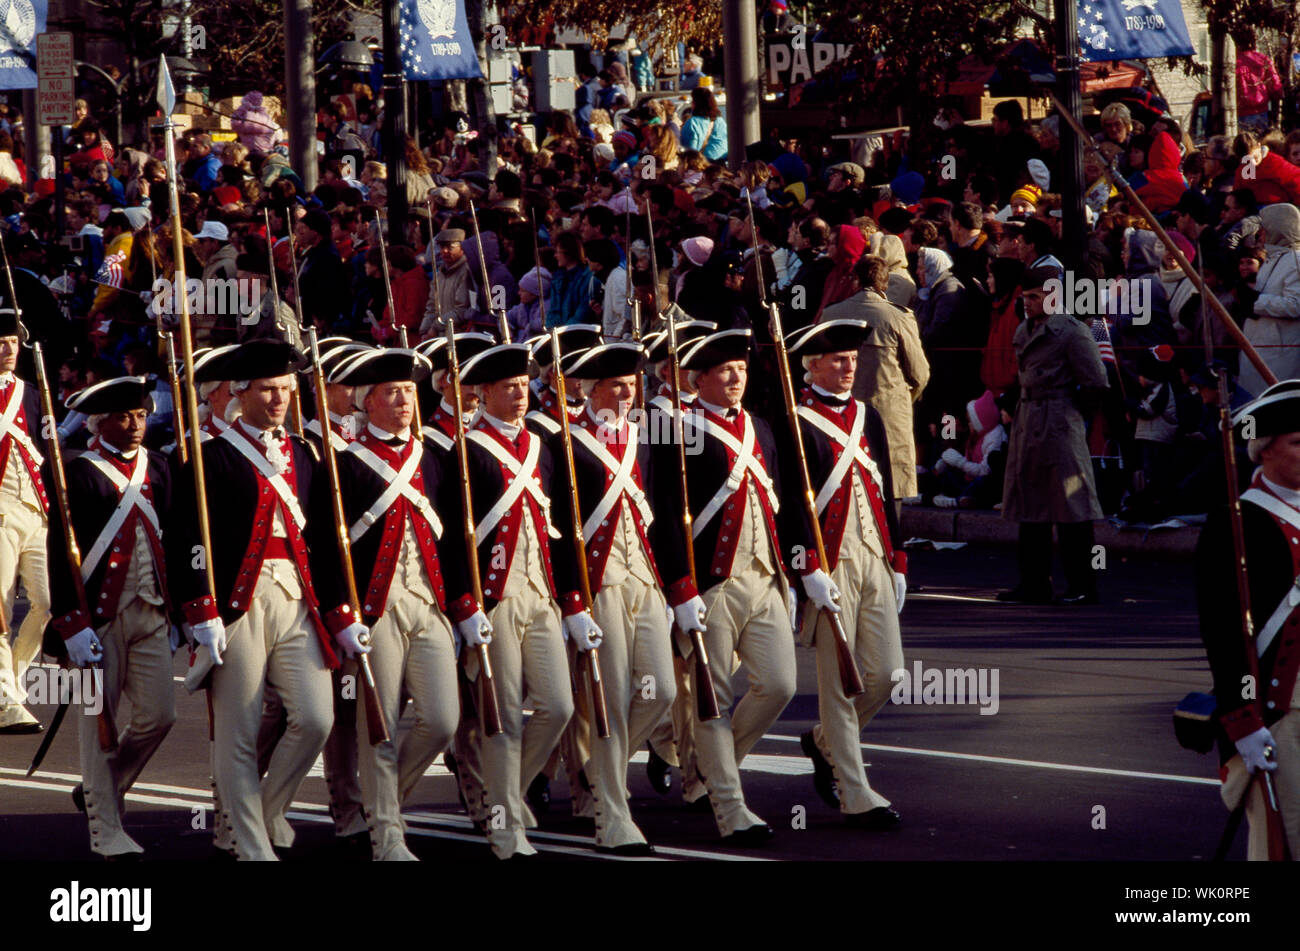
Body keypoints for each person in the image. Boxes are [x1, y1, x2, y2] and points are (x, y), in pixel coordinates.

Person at [170, 339, 368, 861]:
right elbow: (189, 537)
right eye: (267, 389)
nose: (280, 399)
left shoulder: (303, 453)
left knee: (316, 717)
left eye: (285, 388)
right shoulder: (211, 456)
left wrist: (341, 611)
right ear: (241, 393)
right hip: (240, 602)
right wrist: (201, 609)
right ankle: (254, 848)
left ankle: (261, 811)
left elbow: (326, 538)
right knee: (239, 730)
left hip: (298, 597)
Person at [444, 342, 585, 860]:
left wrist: (573, 602)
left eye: (524, 386)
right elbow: (455, 539)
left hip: (542, 593)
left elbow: (562, 530)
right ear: (482, 393)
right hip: (495, 598)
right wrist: (465, 604)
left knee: (558, 705)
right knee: (501, 717)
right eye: (507, 387)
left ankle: (503, 793)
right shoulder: (465, 450)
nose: (519, 395)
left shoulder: (542, 446)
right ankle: (505, 826)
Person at [655, 328, 796, 845]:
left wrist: (800, 571)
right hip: (711, 582)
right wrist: (680, 586)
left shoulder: (760, 426)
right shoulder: (677, 430)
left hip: (763, 575)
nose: (736, 377)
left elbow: (784, 503)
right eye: (724, 371)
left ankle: (711, 767)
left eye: (740, 368)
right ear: (700, 379)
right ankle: (730, 806)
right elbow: (667, 516)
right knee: (711, 699)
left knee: (778, 684)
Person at [330, 347, 463, 861]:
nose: (405, 400)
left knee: (441, 720)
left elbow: (453, 538)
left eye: (409, 391)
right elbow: (329, 543)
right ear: (368, 402)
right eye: (392, 392)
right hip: (375, 607)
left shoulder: (433, 456)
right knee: (378, 725)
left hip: (429, 602)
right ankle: (387, 832)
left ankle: (382, 803)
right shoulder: (344, 463)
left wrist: (462, 604)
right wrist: (344, 615)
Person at [547, 342, 677, 853]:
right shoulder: (565, 443)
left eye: (631, 384)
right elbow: (558, 527)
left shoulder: (643, 440)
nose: (626, 393)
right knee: (611, 699)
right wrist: (573, 600)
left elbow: (662, 515)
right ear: (589, 389)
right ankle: (610, 814)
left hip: (643, 577)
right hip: (599, 580)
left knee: (660, 691)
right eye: (615, 385)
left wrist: (675, 586)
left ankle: (601, 772)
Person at [780, 319, 907, 828]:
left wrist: (898, 557)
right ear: (812, 365)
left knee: (886, 672)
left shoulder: (868, 415)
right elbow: (789, 504)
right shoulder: (795, 421)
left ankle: (823, 742)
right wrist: (804, 566)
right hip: (829, 564)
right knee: (839, 685)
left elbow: (886, 486)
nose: (848, 366)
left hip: (874, 554)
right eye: (837, 359)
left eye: (852, 358)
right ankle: (855, 792)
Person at [47, 377, 176, 858]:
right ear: (100, 423)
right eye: (124, 417)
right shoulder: (76, 474)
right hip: (96, 619)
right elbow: (60, 553)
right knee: (96, 728)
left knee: (160, 715)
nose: (136, 424)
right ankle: (105, 830)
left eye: (141, 415)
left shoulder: (159, 467)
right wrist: (70, 623)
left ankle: (103, 788)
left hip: (152, 611)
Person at [1198, 379, 1300, 859]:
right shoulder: (1237, 522)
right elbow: (1223, 631)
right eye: (1299, 442)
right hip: (1279, 716)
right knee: (1286, 843)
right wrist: (1242, 720)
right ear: (1264, 451)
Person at [998, 267, 1109, 605]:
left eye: (1035, 296)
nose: (1027, 303)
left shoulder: (1072, 332)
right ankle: (1034, 582)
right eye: (1025, 296)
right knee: (1031, 505)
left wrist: (1070, 413)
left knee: (1072, 505)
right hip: (1028, 419)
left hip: (1059, 420)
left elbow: (1096, 382)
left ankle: (1083, 585)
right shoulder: (1025, 329)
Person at [822, 256, 930, 502]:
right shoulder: (898, 317)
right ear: (885, 283)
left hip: (840, 415)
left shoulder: (831, 314)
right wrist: (902, 398)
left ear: (856, 280)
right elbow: (920, 372)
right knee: (891, 495)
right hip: (889, 416)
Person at [0, 312, 49, 733]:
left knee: (48, 603)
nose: (8, 349)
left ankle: (12, 678)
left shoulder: (33, 394)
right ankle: (5, 700)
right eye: (0, 342)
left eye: (13, 341)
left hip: (35, 507)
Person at [1240, 202, 1300, 398]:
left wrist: (1256, 301)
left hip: (1280, 356)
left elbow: (1295, 305)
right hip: (1260, 350)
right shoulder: (1271, 260)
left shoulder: (1296, 260)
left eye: (1264, 230)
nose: (1260, 236)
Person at [681, 88, 727, 163]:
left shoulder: (692, 123)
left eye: (693, 101)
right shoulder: (721, 122)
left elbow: (687, 151)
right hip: (722, 166)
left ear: (696, 104)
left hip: (702, 167)